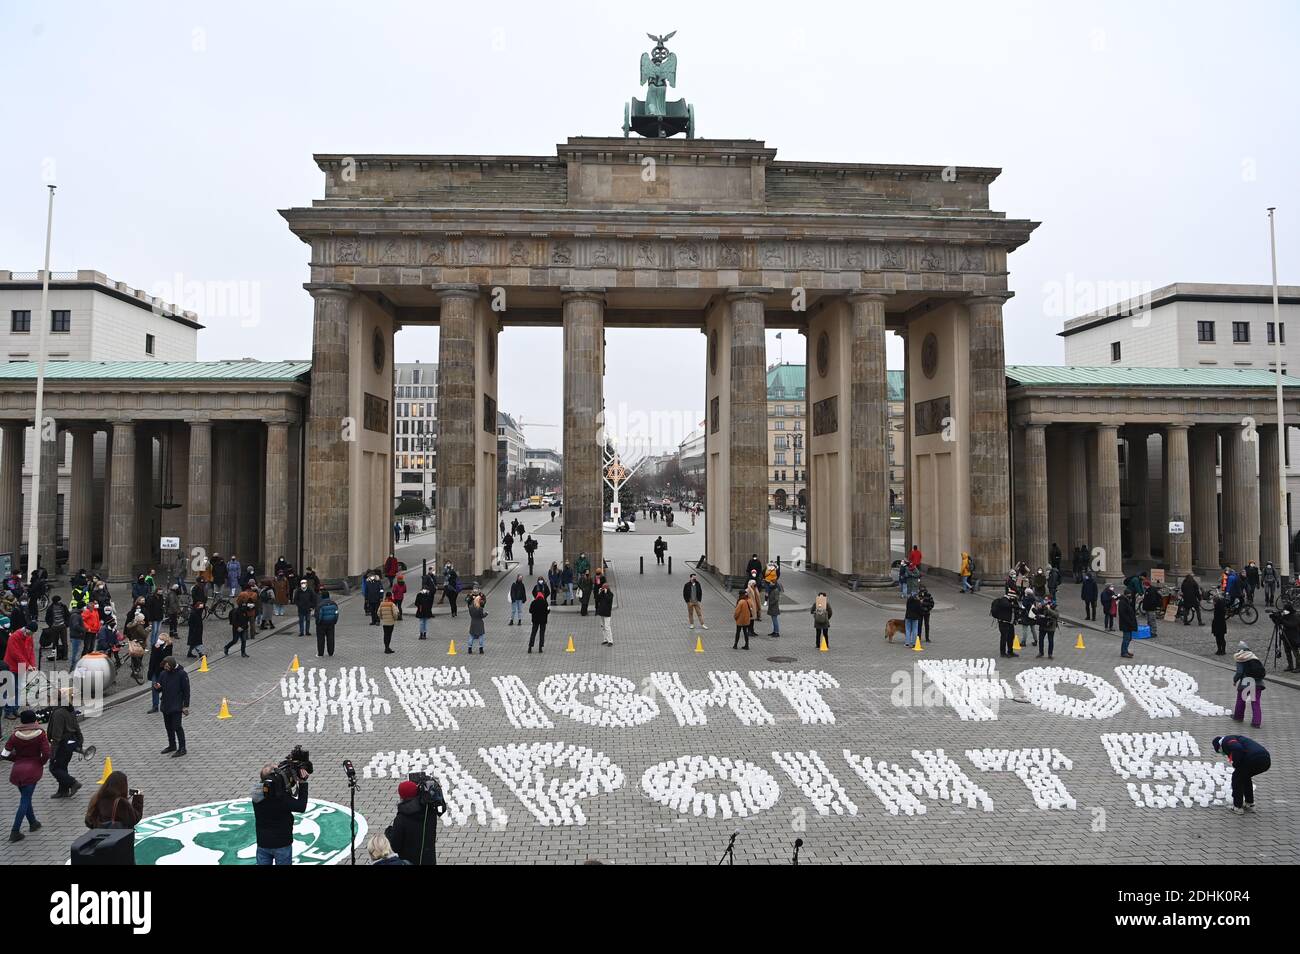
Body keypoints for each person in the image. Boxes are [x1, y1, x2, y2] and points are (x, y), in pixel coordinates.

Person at [252, 762, 309, 865]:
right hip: (282, 844)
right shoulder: (281, 798)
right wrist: (302, 782)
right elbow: (301, 806)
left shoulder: (256, 794)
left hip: (263, 843)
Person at [5, 710, 49, 842]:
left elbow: (4, 754)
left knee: (26, 796)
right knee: (25, 800)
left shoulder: (14, 735)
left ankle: (33, 823)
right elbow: (46, 753)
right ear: (34, 719)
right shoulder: (40, 734)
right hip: (32, 771)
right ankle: (15, 831)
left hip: (17, 771)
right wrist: (39, 763)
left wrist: (17, 759)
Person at [386, 779, 442, 865]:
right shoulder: (429, 811)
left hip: (409, 861)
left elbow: (395, 846)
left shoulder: (401, 818)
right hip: (428, 860)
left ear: (402, 797)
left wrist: (389, 833)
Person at [1212, 735, 1270, 815]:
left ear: (1219, 746)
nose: (1223, 753)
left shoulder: (1227, 741)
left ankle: (1237, 806)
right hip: (1265, 760)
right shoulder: (1235, 738)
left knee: (1237, 778)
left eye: (1220, 751)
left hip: (1253, 758)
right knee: (1244, 776)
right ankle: (1249, 803)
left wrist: (1236, 763)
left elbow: (1238, 749)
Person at [48, 691, 83, 800]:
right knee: (62, 766)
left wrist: (52, 751)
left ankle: (73, 783)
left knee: (54, 767)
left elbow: (57, 735)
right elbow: (76, 726)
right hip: (70, 742)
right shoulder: (69, 708)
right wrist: (80, 740)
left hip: (62, 744)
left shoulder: (58, 713)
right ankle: (62, 791)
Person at [154, 656, 190, 757]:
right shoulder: (163, 674)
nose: (165, 668)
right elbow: (160, 688)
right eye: (164, 666)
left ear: (172, 664)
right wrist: (157, 688)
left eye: (167, 666)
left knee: (177, 727)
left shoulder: (182, 674)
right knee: (168, 727)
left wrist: (185, 706)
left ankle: (182, 748)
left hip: (177, 705)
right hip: (166, 705)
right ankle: (172, 745)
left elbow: (186, 691)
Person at [3, 625, 35, 720]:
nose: (29, 636)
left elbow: (30, 652)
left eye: (31, 634)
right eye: (29, 634)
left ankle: (15, 708)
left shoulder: (29, 636)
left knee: (19, 688)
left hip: (21, 666)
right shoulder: (14, 637)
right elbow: (15, 654)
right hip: (11, 666)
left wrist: (33, 665)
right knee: (10, 689)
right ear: (25, 630)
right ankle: (8, 711)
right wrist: (27, 665)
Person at [1231, 641, 1266, 728]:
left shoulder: (1240, 658)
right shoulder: (1254, 657)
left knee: (1241, 700)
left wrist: (1235, 680)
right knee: (1255, 702)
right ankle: (1256, 722)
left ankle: (1238, 717)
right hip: (1258, 682)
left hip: (1247, 682)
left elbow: (1239, 672)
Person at [43, 595, 69, 663]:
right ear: (56, 601)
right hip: (54, 627)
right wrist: (51, 625)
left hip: (62, 626)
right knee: (55, 642)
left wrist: (66, 624)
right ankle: (55, 655)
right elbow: (47, 618)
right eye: (59, 600)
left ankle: (65, 655)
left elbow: (67, 615)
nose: (60, 601)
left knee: (64, 641)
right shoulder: (50, 608)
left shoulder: (63, 606)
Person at [991, 589, 1017, 658]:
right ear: (1010, 596)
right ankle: (1003, 653)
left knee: (1011, 637)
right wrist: (1013, 605)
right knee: (1004, 637)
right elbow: (1007, 606)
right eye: (1013, 597)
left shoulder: (1010, 601)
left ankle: (1010, 651)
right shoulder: (1003, 600)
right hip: (1003, 622)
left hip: (1010, 623)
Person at [315, 589, 339, 657]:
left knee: (321, 639)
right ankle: (331, 652)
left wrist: (318, 622)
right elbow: (336, 613)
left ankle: (320, 653)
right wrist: (335, 621)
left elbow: (319, 615)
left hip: (322, 624)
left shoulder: (320, 605)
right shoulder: (334, 604)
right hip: (331, 623)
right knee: (331, 638)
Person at [1117, 591, 1138, 659]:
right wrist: (1129, 621)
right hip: (1125, 624)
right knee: (1126, 638)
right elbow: (1123, 614)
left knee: (1129, 638)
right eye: (1129, 594)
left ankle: (1125, 650)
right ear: (1126, 595)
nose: (1130, 595)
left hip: (1128, 623)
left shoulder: (1126, 601)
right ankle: (1123, 652)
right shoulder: (1122, 602)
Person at [528, 589, 549, 653]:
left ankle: (530, 647)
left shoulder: (533, 603)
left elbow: (530, 611)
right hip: (543, 621)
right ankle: (540, 647)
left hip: (535, 621)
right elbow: (547, 611)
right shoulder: (545, 603)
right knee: (542, 634)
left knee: (533, 633)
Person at [379, 590, 399, 654]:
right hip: (390, 622)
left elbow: (378, 613)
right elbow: (395, 613)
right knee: (389, 635)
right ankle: (387, 648)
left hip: (384, 622)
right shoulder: (391, 604)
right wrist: (395, 619)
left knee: (385, 634)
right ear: (390, 596)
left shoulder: (382, 604)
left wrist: (382, 618)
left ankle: (386, 647)